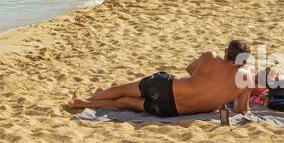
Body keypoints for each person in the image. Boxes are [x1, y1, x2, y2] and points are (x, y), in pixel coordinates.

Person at [66, 40, 253, 118]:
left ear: (227, 52)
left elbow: (189, 69)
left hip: (166, 88)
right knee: (126, 103)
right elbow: (241, 109)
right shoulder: (246, 80)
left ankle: (86, 100)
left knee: (124, 90)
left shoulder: (211, 57)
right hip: (170, 111)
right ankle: (89, 103)